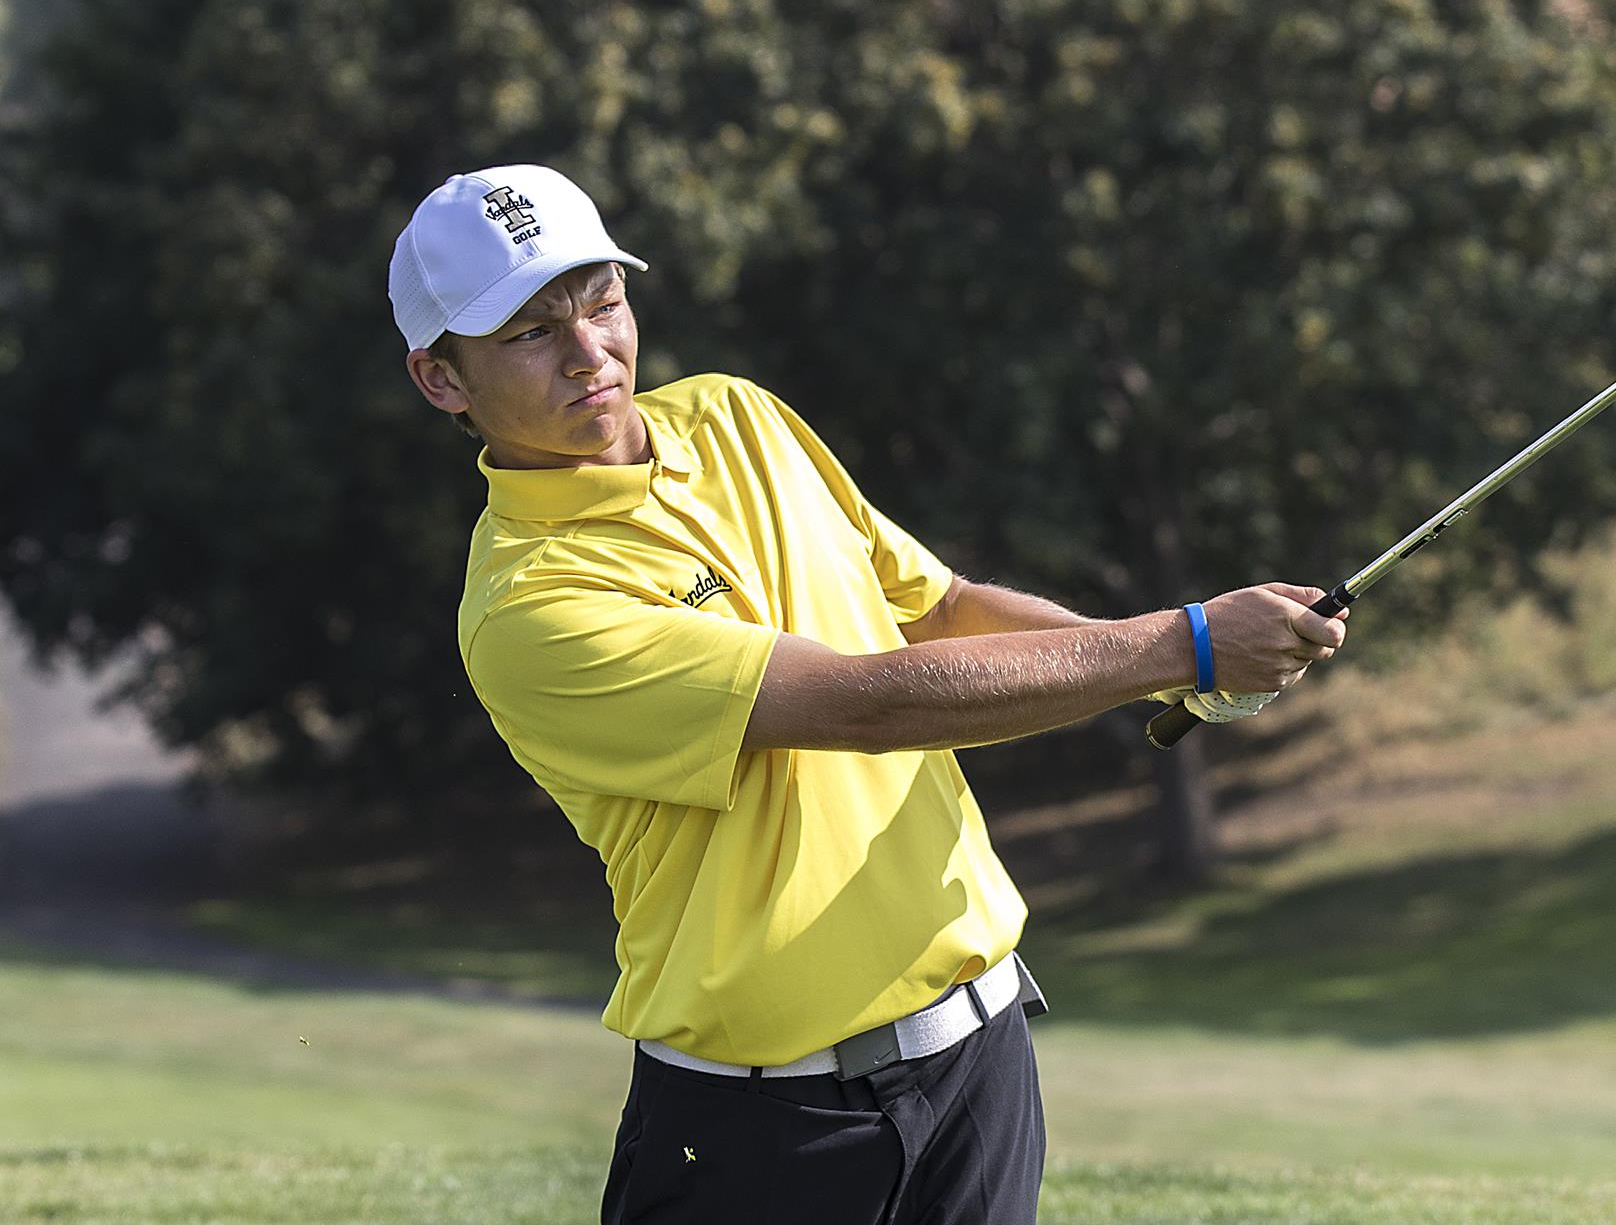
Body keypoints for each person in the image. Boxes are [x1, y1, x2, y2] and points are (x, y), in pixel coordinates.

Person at [389, 164, 1348, 1225]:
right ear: (441, 378)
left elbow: (937, 611)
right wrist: (1185, 642)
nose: (589, 351)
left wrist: (1177, 668)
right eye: (531, 333)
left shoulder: (735, 416)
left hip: (979, 1058)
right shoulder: (531, 605)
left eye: (603, 302)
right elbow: (869, 705)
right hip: (760, 1125)